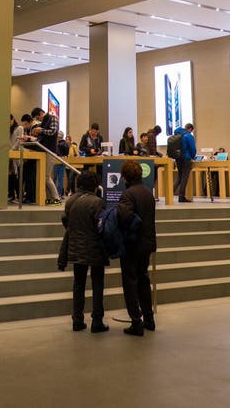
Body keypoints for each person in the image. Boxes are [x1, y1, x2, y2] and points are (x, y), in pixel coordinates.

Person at [57, 170, 108, 333]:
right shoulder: (97, 202)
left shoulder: (70, 201)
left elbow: (66, 221)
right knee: (97, 283)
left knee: (78, 284)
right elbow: (101, 226)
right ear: (95, 185)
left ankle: (77, 320)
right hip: (95, 248)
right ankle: (97, 321)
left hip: (75, 247)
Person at [117, 159, 157, 336]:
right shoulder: (148, 193)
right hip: (147, 243)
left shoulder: (128, 194)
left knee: (130, 282)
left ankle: (136, 321)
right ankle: (149, 319)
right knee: (143, 280)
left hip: (132, 244)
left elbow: (125, 218)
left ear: (125, 176)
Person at [30, 106, 61, 205]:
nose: (37, 120)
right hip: (43, 151)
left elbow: (53, 132)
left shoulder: (53, 118)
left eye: (37, 118)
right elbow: (40, 139)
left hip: (50, 151)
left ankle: (56, 198)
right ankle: (49, 198)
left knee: (46, 176)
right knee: (43, 176)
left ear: (40, 113)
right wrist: (30, 137)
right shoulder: (43, 123)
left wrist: (41, 130)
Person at [174, 123, 196, 203]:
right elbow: (192, 148)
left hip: (178, 158)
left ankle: (170, 193)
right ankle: (181, 197)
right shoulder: (188, 136)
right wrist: (192, 157)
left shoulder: (177, 134)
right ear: (190, 129)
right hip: (186, 158)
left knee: (179, 176)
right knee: (184, 177)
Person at [8, 114, 23, 203]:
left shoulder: (19, 128)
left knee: (17, 176)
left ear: (13, 119)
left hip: (16, 154)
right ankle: (11, 195)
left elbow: (19, 140)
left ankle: (19, 196)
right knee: (10, 176)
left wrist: (12, 150)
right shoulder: (8, 129)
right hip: (9, 154)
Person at [54, 131, 69, 197]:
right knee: (61, 179)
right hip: (63, 161)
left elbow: (56, 153)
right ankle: (59, 193)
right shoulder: (66, 144)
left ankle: (54, 193)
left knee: (54, 178)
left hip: (57, 161)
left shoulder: (58, 145)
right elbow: (67, 153)